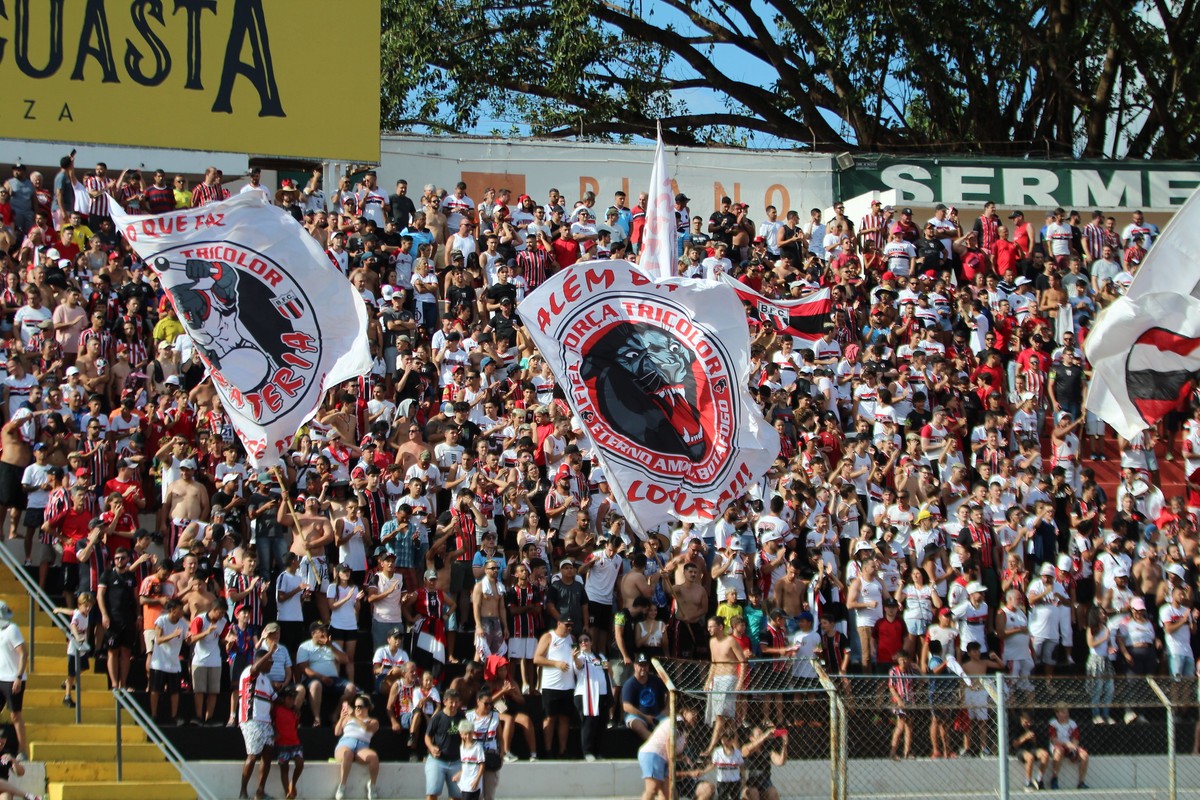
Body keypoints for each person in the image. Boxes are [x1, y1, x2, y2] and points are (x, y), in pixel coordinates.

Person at [237, 642, 277, 800]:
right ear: (263, 660)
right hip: (251, 720)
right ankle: (243, 792)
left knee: (267, 755)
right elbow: (255, 668)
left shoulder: (266, 681)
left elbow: (275, 699)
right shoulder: (249, 671)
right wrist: (269, 653)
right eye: (270, 661)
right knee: (253, 755)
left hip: (266, 722)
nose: (272, 665)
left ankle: (260, 791)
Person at [533, 616, 576, 759]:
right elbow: (537, 658)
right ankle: (548, 750)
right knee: (549, 718)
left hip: (568, 685)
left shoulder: (572, 638)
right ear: (559, 623)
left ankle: (563, 750)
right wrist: (556, 664)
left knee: (565, 718)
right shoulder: (548, 637)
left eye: (571, 625)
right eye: (566, 625)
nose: (569, 628)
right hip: (551, 686)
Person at [572, 631, 613, 762]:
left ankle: (597, 751)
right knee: (589, 722)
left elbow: (608, 670)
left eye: (586, 640)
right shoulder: (580, 657)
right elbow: (578, 666)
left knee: (601, 724)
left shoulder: (599, 656)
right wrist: (574, 658)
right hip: (585, 695)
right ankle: (588, 751)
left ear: (591, 642)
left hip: (601, 694)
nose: (583, 642)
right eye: (581, 641)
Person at [333, 693, 381, 800]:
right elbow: (337, 732)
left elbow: (366, 728)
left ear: (366, 708)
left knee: (373, 757)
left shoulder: (373, 722)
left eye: (360, 707)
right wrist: (341, 718)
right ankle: (342, 786)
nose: (357, 709)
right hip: (346, 743)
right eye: (355, 707)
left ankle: (372, 785)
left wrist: (353, 717)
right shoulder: (349, 719)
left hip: (362, 746)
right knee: (347, 754)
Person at [424, 688, 466, 800]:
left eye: (456, 702)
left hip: (456, 761)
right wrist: (431, 747)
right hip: (437, 761)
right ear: (445, 702)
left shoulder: (462, 717)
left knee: (457, 796)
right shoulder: (437, 718)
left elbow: (466, 736)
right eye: (451, 702)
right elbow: (427, 736)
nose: (454, 705)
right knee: (432, 793)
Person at [272, 685, 305, 800]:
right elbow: (271, 721)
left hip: (295, 743)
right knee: (284, 768)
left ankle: (293, 784)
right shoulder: (276, 709)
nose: (291, 701)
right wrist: (274, 733)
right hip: (282, 744)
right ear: (284, 698)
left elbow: (295, 726)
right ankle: (287, 792)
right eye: (289, 698)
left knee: (300, 763)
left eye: (293, 699)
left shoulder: (296, 712)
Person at [1047, 703, 1089, 790]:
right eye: (1063, 712)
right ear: (1057, 713)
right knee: (1059, 751)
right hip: (1058, 746)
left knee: (1084, 755)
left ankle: (1081, 782)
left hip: (1070, 746)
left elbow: (1075, 739)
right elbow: (1054, 740)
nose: (1066, 714)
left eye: (1067, 712)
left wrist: (1073, 747)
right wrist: (1066, 744)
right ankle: (1054, 779)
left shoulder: (1072, 723)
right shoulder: (1053, 723)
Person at [1012, 711, 1051, 791]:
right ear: (1021, 719)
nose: (1028, 724)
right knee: (1030, 757)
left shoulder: (1033, 727)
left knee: (1045, 754)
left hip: (1032, 749)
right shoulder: (1016, 727)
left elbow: (1038, 744)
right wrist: (1025, 738)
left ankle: (1039, 779)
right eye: (1026, 722)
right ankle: (1027, 783)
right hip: (1021, 750)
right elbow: (1014, 744)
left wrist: (1034, 740)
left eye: (1030, 722)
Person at [453, 719, 485, 800]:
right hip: (464, 781)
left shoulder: (477, 747)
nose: (467, 736)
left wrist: (477, 780)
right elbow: (465, 764)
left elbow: (482, 765)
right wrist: (458, 774)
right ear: (461, 734)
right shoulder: (462, 747)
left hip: (473, 780)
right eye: (465, 734)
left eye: (470, 733)